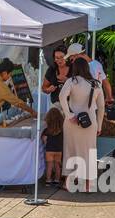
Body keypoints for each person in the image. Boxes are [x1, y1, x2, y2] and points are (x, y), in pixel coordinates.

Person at [59, 56, 104, 192]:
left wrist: (69, 114)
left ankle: (68, 183)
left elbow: (62, 97)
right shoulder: (96, 84)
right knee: (89, 152)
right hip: (90, 121)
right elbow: (101, 107)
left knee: (70, 150)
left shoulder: (72, 81)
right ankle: (88, 185)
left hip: (72, 121)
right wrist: (100, 125)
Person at [42, 106, 65, 184]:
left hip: (49, 149)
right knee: (57, 165)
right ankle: (57, 180)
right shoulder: (62, 130)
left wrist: (46, 144)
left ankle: (48, 180)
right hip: (59, 149)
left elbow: (44, 139)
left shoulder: (47, 130)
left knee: (49, 165)